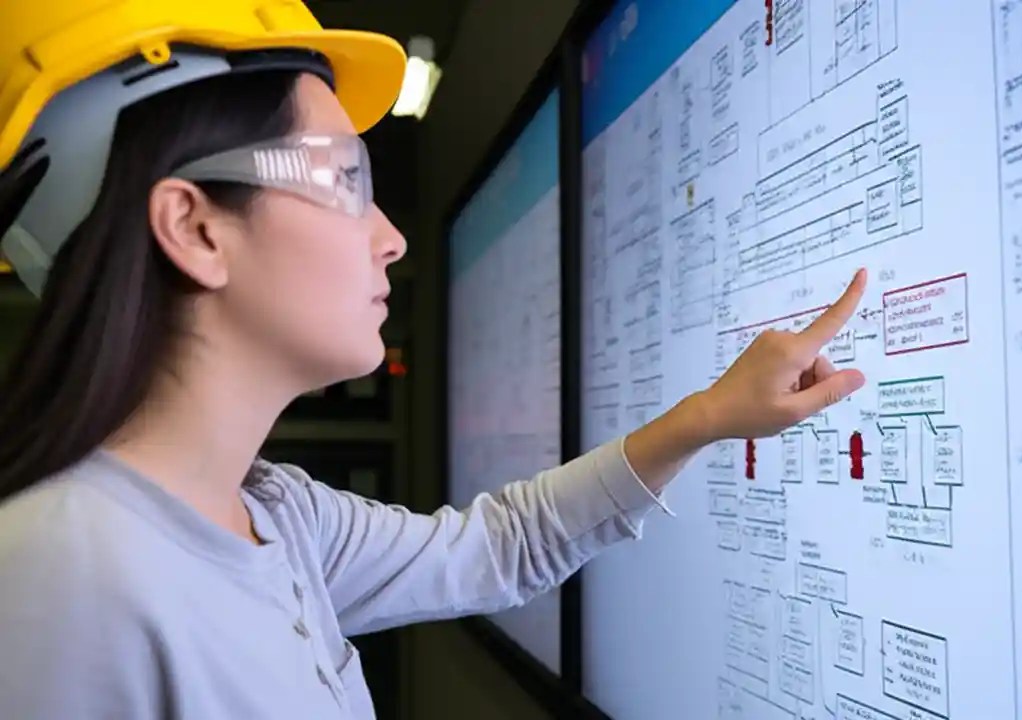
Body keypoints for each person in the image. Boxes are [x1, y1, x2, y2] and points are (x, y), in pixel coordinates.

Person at [0, 1, 870, 718]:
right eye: (347, 179)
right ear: (195, 229)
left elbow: (497, 547)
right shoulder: (60, 580)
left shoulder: (276, 514)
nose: (391, 238)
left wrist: (710, 416)